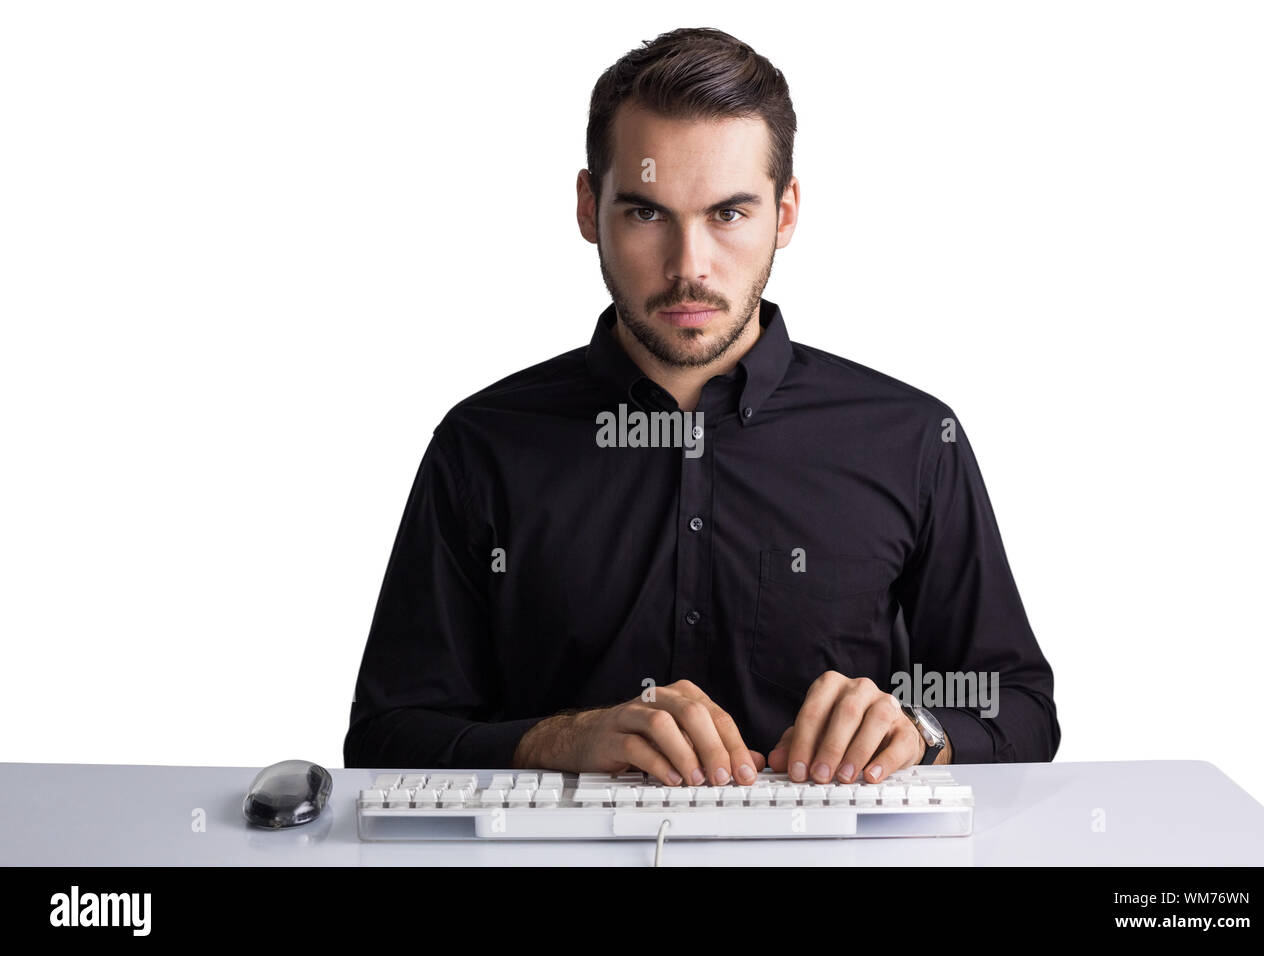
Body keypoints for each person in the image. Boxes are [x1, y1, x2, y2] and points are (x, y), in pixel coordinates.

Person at [343, 26, 1060, 787]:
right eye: (647, 214)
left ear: (785, 214)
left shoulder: (913, 440)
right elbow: (387, 736)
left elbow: (1020, 707)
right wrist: (558, 740)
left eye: (728, 214)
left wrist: (918, 729)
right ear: (590, 207)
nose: (690, 268)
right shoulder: (481, 445)